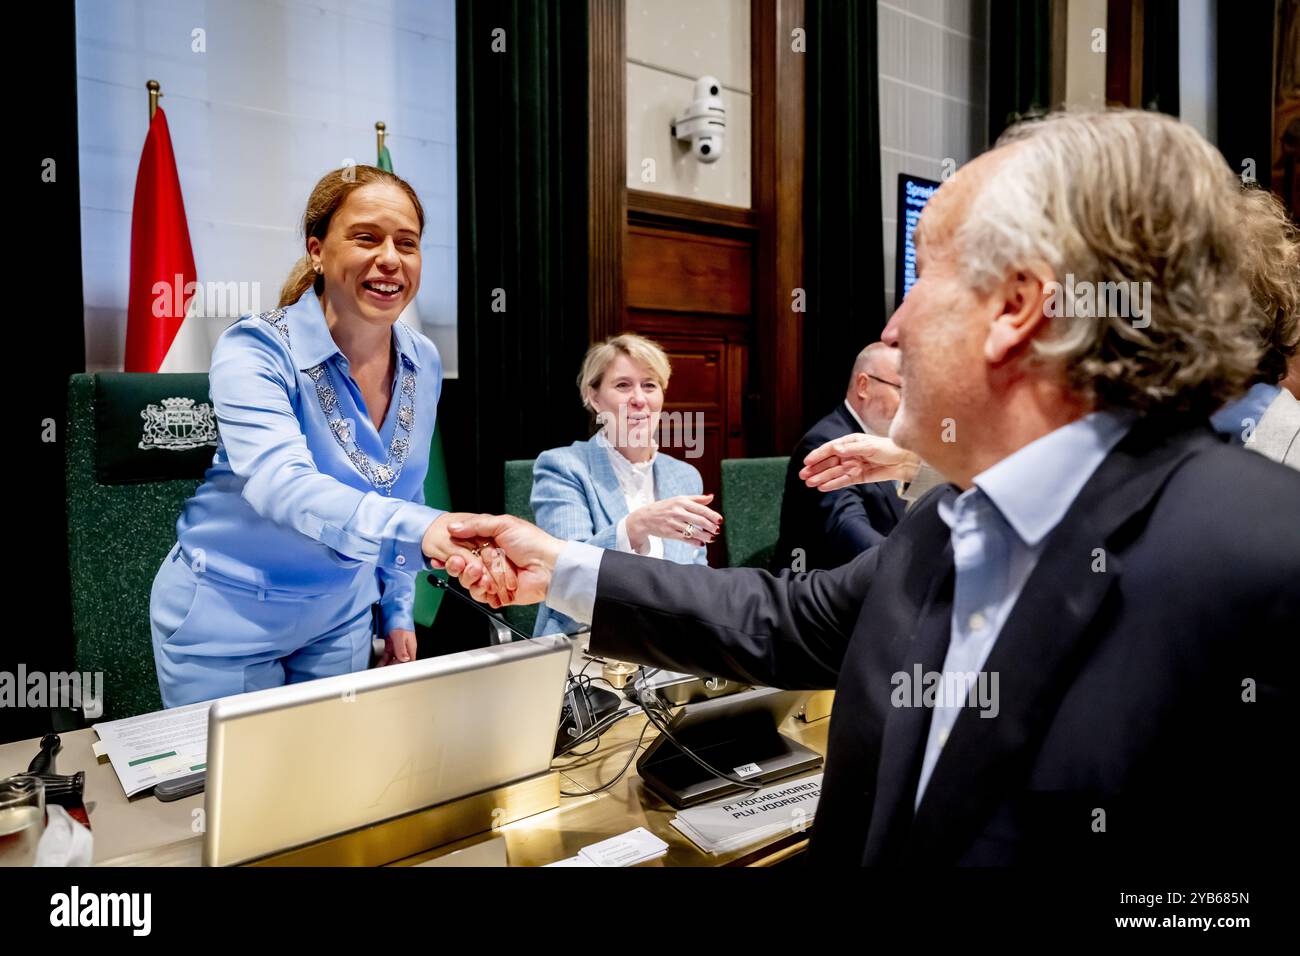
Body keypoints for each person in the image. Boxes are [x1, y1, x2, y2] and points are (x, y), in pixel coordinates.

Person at [440, 110, 1298, 866]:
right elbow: (781, 616)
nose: (894, 325)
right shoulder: (950, 519)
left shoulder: (1263, 562)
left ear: (1021, 309)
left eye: (923, 276)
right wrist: (562, 567)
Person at [149, 166, 510, 708]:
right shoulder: (255, 349)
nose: (390, 257)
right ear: (317, 250)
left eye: (406, 243)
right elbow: (282, 484)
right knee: (246, 792)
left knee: (333, 785)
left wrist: (395, 608)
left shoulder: (423, 359)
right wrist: (427, 529)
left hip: (341, 617)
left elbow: (403, 487)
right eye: (366, 237)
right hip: (229, 618)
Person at [530, 334, 718, 636]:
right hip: (586, 642)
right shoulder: (563, 467)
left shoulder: (685, 476)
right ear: (594, 397)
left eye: (649, 385)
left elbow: (696, 575)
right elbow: (567, 570)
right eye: (622, 385)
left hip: (671, 644)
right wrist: (636, 526)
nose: (639, 399)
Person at [771, 343, 907, 573]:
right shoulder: (827, 442)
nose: (910, 403)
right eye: (901, 389)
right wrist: (908, 567)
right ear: (863, 386)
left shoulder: (898, 444)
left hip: (870, 579)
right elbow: (847, 529)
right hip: (820, 591)